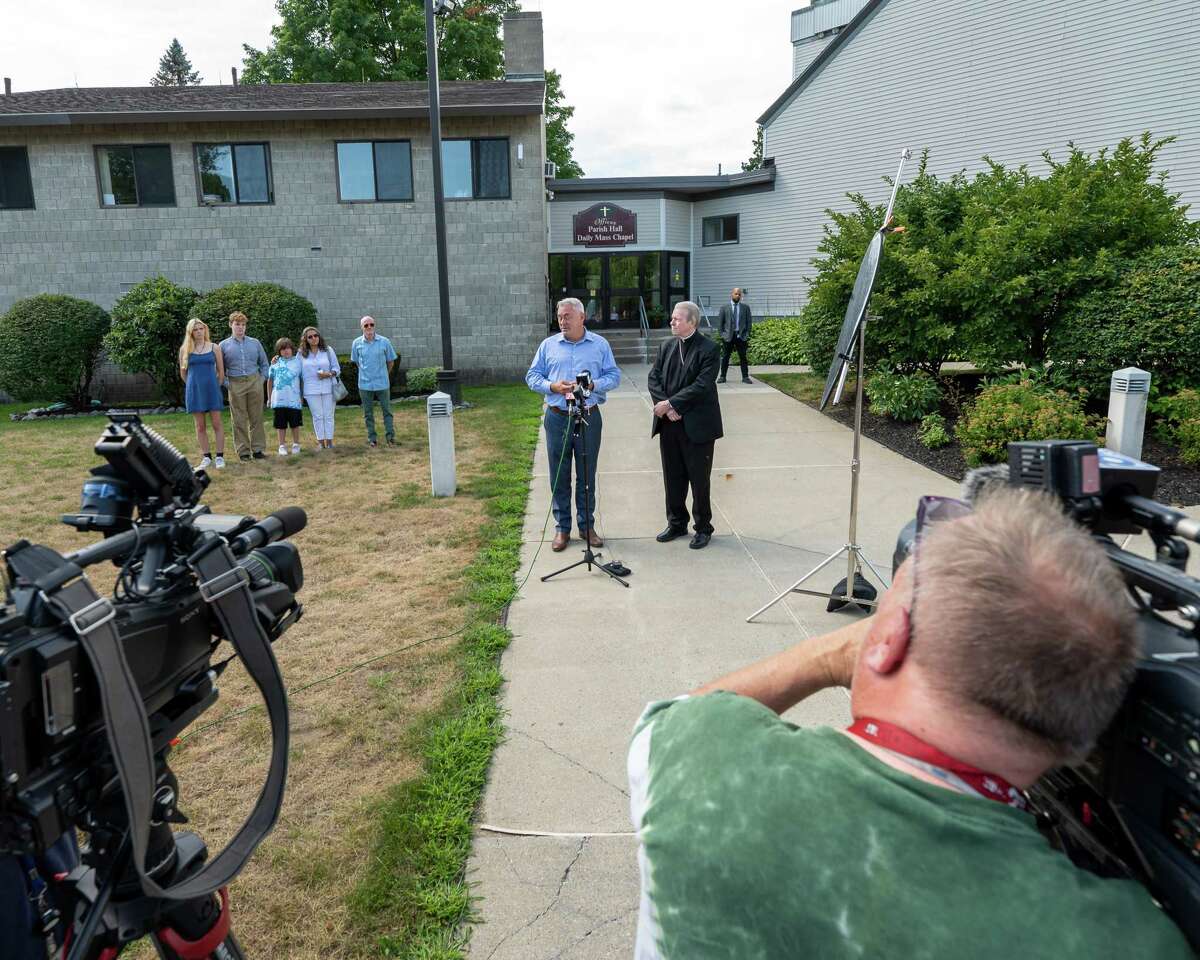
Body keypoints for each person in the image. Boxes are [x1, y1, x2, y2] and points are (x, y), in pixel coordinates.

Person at [627, 487, 1194, 959]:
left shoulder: (695, 760)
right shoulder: (1123, 940)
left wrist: (831, 655)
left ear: (889, 639)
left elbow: (685, 713)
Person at [525, 297, 621, 552]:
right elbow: (532, 376)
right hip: (558, 416)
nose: (562, 321)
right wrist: (552, 386)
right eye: (559, 317)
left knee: (587, 473)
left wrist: (593, 385)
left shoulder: (600, 345)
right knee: (560, 473)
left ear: (581, 318)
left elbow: (614, 376)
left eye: (567, 316)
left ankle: (586, 526)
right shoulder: (548, 345)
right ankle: (562, 528)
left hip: (588, 415)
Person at [646, 301, 723, 549]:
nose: (672, 322)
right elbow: (654, 377)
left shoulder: (709, 348)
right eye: (672, 318)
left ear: (692, 321)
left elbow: (702, 385)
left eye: (677, 319)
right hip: (669, 424)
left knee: (699, 480)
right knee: (673, 477)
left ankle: (703, 528)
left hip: (697, 425)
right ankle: (677, 523)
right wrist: (666, 408)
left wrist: (672, 404)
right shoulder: (666, 345)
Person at [218, 311, 269, 461]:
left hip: (255, 381)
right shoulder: (223, 345)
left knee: (256, 417)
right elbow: (218, 369)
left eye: (243, 324)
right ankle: (243, 452)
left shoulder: (255, 343)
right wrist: (228, 385)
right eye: (237, 324)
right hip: (235, 383)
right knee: (239, 419)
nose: (240, 327)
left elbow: (264, 364)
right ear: (230, 325)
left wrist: (261, 380)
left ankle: (258, 449)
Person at [179, 317, 226, 469]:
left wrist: (214, 386)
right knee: (200, 427)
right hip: (194, 392)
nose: (199, 331)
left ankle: (219, 457)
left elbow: (221, 372)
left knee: (217, 424)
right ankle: (206, 457)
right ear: (190, 332)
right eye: (195, 329)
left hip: (212, 390)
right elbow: (183, 373)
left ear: (205, 329)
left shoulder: (214, 347)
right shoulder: (184, 349)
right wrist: (193, 386)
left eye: (201, 328)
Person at [350, 315, 397, 448]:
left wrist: (384, 374)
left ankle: (390, 437)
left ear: (374, 325)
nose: (369, 327)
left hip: (382, 383)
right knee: (368, 413)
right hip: (364, 385)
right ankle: (372, 438)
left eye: (371, 324)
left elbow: (391, 362)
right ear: (362, 328)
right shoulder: (356, 343)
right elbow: (357, 363)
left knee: (387, 411)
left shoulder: (384, 342)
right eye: (366, 325)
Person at [299, 326, 340, 449]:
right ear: (305, 339)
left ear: (319, 336)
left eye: (315, 335)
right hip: (311, 390)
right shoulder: (301, 353)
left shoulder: (328, 350)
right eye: (310, 337)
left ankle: (330, 441)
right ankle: (321, 442)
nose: (313, 338)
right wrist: (277, 361)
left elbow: (337, 369)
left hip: (328, 387)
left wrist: (328, 374)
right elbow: (295, 370)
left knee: (328, 415)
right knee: (317, 416)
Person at [267, 337, 304, 456]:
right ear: (279, 351)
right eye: (283, 349)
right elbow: (270, 381)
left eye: (288, 348)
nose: (286, 351)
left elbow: (302, 380)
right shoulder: (275, 363)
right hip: (278, 400)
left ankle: (296, 444)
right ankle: (281, 445)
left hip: (294, 400)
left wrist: (302, 396)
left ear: (292, 349)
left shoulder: (298, 362)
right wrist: (269, 398)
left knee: (295, 423)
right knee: (280, 424)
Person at [716, 286, 752, 384]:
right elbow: (720, 324)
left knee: (743, 357)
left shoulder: (745, 308)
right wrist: (723, 335)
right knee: (725, 357)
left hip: (741, 337)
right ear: (731, 294)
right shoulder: (724, 308)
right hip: (728, 337)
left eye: (739, 294)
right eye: (736, 294)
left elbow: (749, 323)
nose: (738, 296)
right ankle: (722, 376)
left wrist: (747, 334)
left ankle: (745, 377)